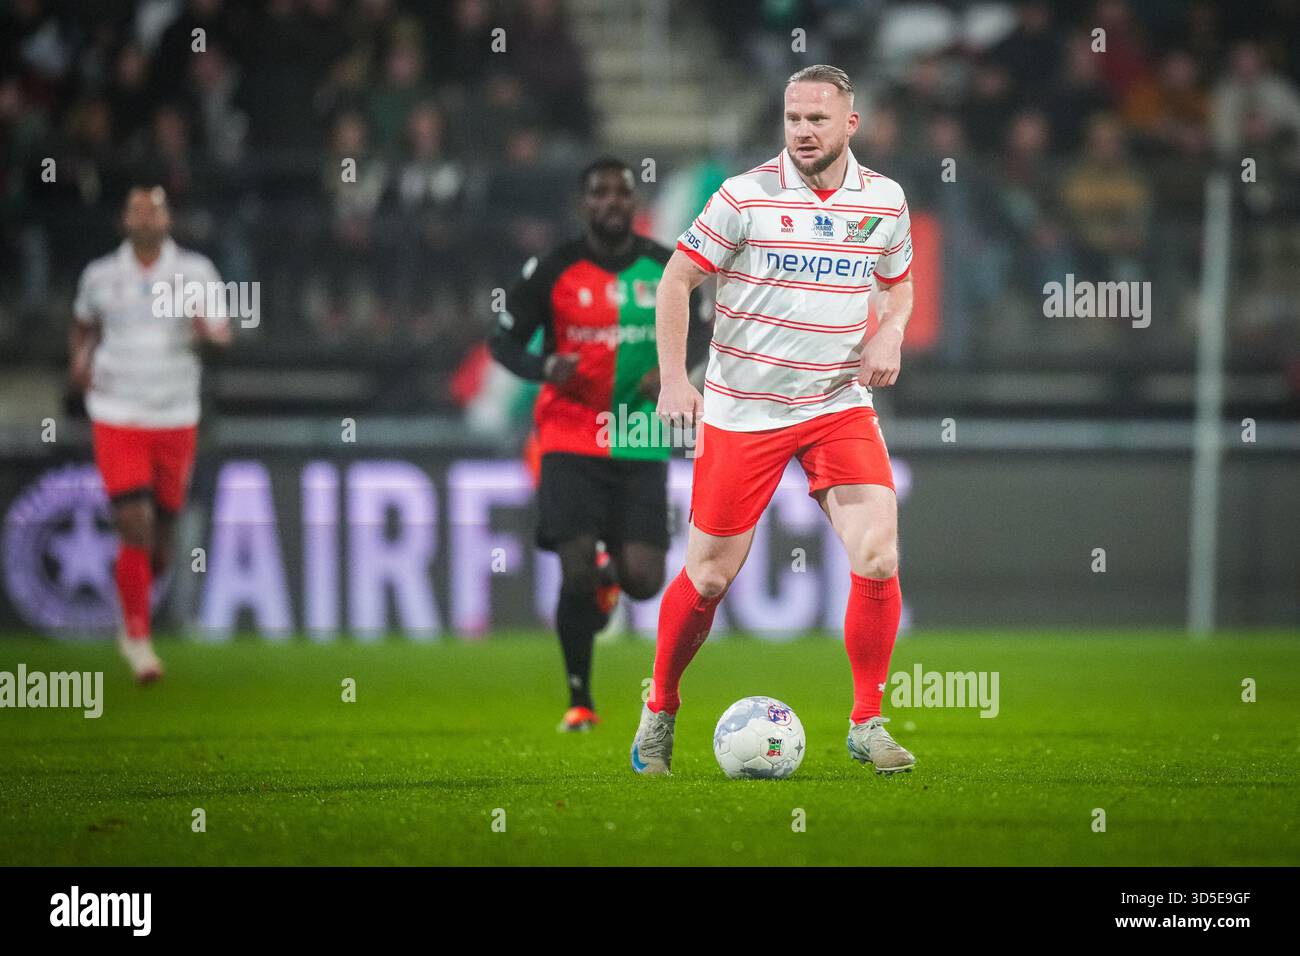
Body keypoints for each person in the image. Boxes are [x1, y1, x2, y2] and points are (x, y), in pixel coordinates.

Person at [630, 65, 917, 775]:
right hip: (744, 410)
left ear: (851, 123)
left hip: (835, 406)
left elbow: (899, 282)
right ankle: (660, 709)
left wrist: (890, 333)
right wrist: (673, 378)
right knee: (707, 579)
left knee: (878, 554)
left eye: (817, 120)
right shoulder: (744, 197)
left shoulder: (884, 201)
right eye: (793, 119)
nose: (802, 132)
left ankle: (866, 721)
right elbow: (676, 279)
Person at [488, 158, 706, 732]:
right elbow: (502, 340)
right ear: (583, 204)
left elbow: (707, 324)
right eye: (599, 193)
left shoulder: (666, 268)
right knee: (576, 567)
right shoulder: (554, 270)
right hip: (570, 435)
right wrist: (543, 365)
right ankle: (580, 699)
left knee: (644, 580)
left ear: (634, 202)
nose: (611, 201)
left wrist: (676, 367)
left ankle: (615, 577)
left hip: (640, 433)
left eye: (621, 192)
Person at [70, 186, 231, 682]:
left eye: (154, 209)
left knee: (162, 543)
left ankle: (136, 590)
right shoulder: (100, 276)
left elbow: (224, 336)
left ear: (168, 220)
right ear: (124, 220)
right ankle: (137, 637)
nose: (145, 216)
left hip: (175, 414)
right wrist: (80, 359)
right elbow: (83, 325)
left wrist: (209, 333)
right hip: (117, 412)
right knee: (133, 520)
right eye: (136, 208)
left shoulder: (196, 273)